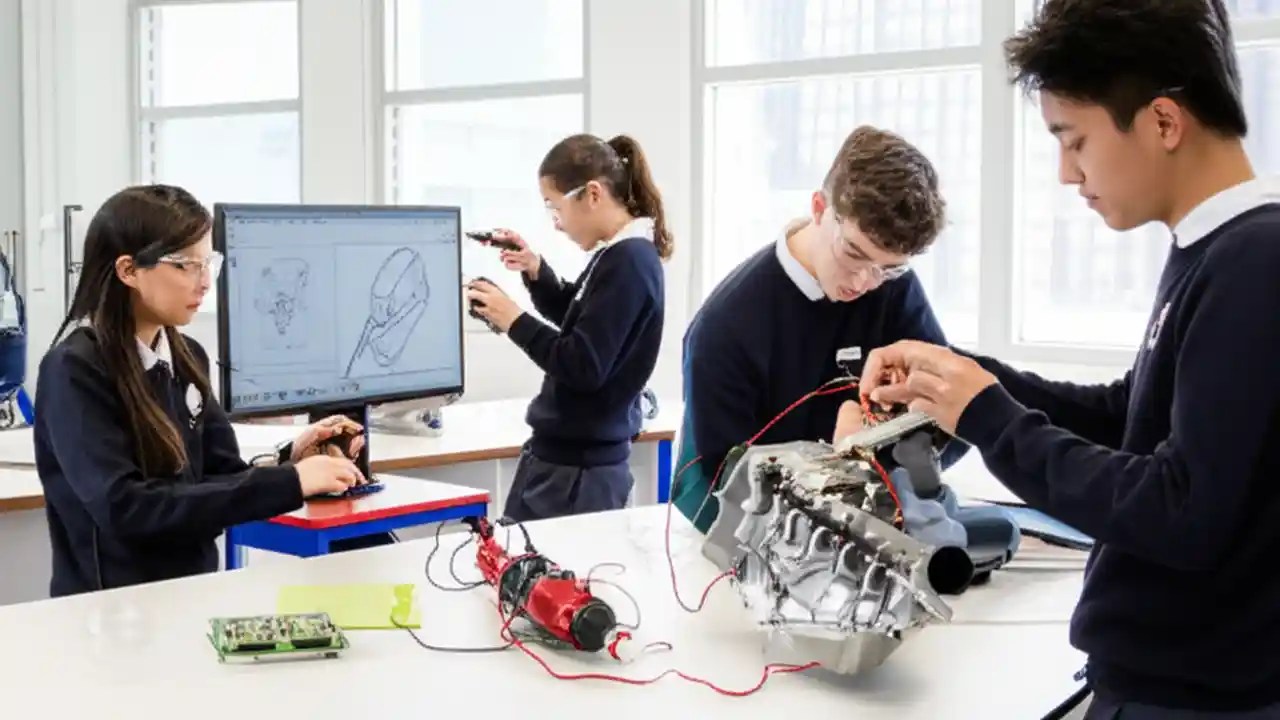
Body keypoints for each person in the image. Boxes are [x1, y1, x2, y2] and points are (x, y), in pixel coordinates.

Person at [859, 1, 1280, 716]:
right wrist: (962, 377)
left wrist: (988, 417)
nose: (1065, 172)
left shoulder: (1253, 262)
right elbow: (1129, 418)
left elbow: (1180, 510)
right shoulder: (1214, 250)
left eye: (1074, 140)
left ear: (1163, 122)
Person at [33, 184, 368, 597]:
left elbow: (220, 474)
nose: (205, 282)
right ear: (128, 270)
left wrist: (289, 461)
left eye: (208, 263)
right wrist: (290, 482)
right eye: (186, 266)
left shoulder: (186, 355)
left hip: (191, 595)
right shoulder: (74, 370)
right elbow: (127, 508)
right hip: (114, 610)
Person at [673, 125, 967, 533]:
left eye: (887, 268)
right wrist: (841, 460)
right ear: (819, 208)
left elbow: (954, 415)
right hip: (741, 528)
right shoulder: (725, 327)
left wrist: (891, 445)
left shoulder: (894, 288)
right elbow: (727, 477)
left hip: (862, 516)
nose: (865, 282)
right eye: (853, 253)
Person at [466, 133, 670, 522]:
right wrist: (535, 270)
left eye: (555, 208)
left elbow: (582, 364)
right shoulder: (616, 255)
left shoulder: (629, 261)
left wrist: (512, 319)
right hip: (564, 464)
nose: (556, 224)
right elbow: (580, 320)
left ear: (592, 194)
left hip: (578, 475)